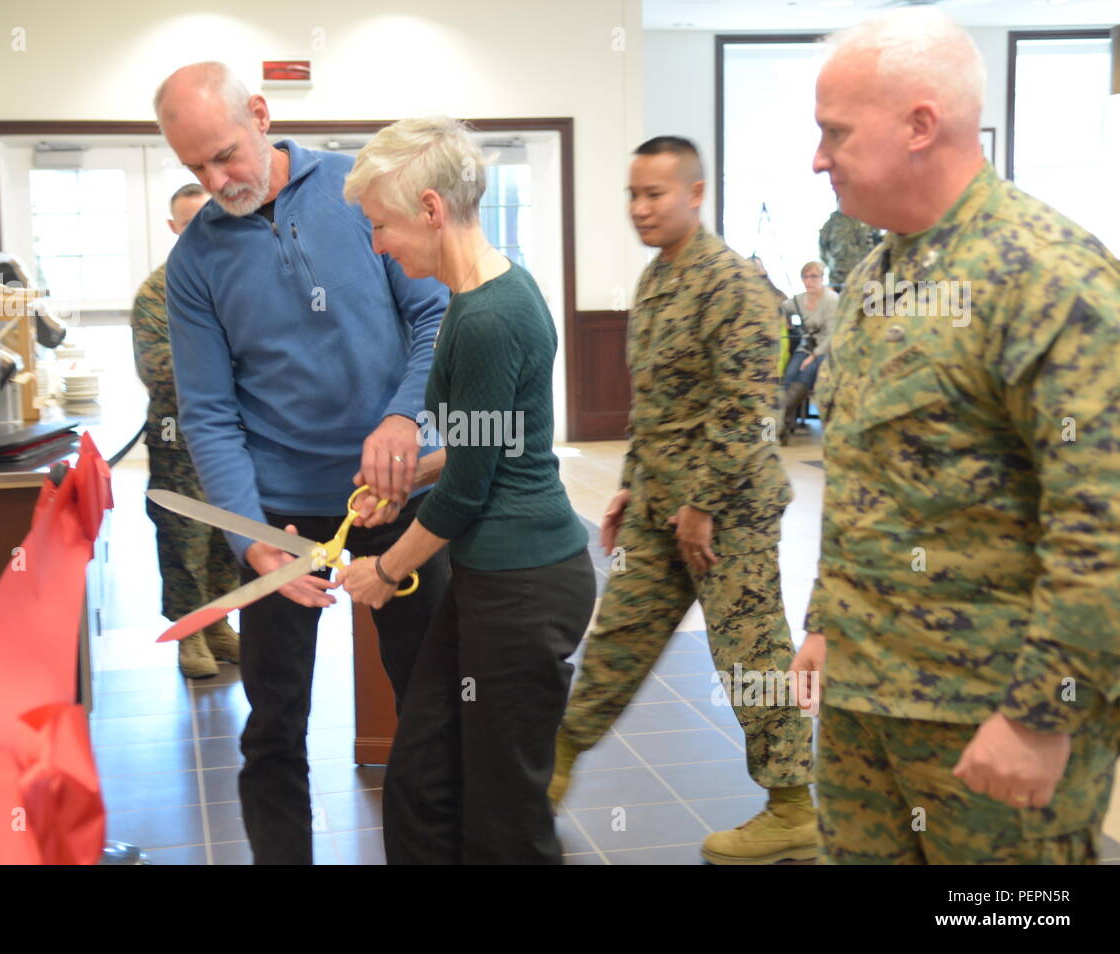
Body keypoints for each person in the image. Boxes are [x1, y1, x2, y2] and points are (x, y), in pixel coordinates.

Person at [792, 8, 1120, 864]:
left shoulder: (1048, 276)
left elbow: (1104, 523)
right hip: (869, 703)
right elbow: (866, 476)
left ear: (920, 126)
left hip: (989, 723)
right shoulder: (877, 276)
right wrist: (828, 620)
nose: (818, 158)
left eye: (834, 133)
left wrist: (1041, 714)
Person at [153, 62, 451, 864]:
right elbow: (209, 414)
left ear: (260, 114)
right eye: (194, 169)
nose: (217, 181)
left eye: (224, 155)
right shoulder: (195, 266)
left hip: (399, 499)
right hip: (281, 514)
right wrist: (252, 535)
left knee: (429, 705)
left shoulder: (358, 191)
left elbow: (432, 316)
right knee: (275, 722)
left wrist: (402, 418)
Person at [550, 136, 816, 865]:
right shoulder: (656, 280)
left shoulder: (734, 285)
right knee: (619, 637)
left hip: (728, 514)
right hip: (660, 507)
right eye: (632, 194)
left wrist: (700, 504)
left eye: (655, 194)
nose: (639, 208)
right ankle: (557, 765)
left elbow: (747, 411)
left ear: (694, 195)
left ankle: (793, 809)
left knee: (749, 655)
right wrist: (633, 483)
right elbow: (656, 404)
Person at [337, 117, 595, 865]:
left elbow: (468, 497)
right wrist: (403, 476)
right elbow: (489, 448)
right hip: (494, 579)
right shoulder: (484, 291)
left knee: (504, 817)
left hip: (523, 585)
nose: (379, 245)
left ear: (429, 208)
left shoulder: (486, 316)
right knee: (422, 778)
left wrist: (383, 573)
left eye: (381, 225)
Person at [131, 183, 241, 679]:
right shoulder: (157, 291)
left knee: (227, 532)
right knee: (185, 535)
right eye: (188, 220)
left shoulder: (238, 281)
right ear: (174, 227)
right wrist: (225, 359)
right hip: (180, 438)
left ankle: (219, 622)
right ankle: (189, 634)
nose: (199, 227)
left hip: (235, 433)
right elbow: (157, 368)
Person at [778, 260, 838, 441]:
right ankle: (782, 422)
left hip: (826, 350)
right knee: (788, 378)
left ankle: (778, 421)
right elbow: (780, 306)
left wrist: (814, 356)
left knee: (806, 372)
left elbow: (831, 336)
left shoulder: (831, 300)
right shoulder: (798, 300)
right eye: (805, 276)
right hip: (806, 347)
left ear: (822, 278)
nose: (809, 280)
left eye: (814, 276)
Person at [817, 206, 878, 290]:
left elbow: (878, 247)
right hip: (838, 279)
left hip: (866, 277)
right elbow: (823, 252)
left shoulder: (868, 220)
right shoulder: (831, 223)